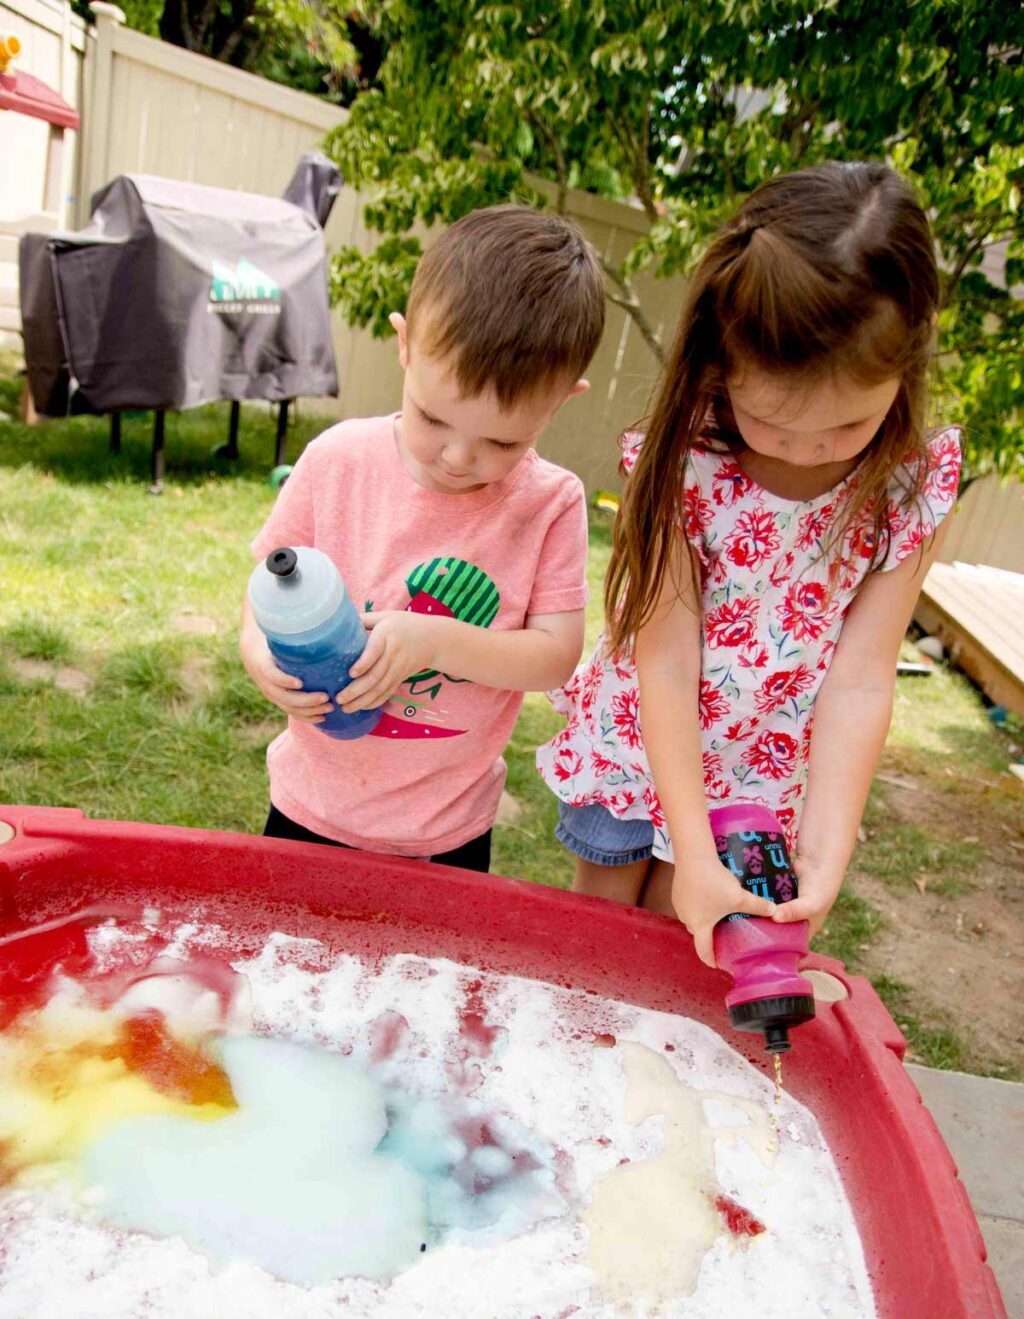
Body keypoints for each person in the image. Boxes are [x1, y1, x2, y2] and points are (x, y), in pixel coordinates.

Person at [536, 161, 962, 963]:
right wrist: (687, 846)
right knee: (590, 955)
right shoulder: (685, 452)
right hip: (642, 742)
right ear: (722, 360)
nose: (806, 451)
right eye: (771, 420)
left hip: (758, 775)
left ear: (904, 369)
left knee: (679, 958)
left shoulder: (911, 482)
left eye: (844, 428)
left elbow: (864, 678)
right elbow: (666, 658)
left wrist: (826, 854)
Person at [241, 204, 605, 872]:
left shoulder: (552, 504)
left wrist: (435, 642)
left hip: (445, 827)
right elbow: (266, 587)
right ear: (405, 345)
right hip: (310, 804)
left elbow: (555, 656)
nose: (459, 458)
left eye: (502, 441)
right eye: (434, 419)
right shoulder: (338, 460)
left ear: (560, 401)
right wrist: (258, 654)